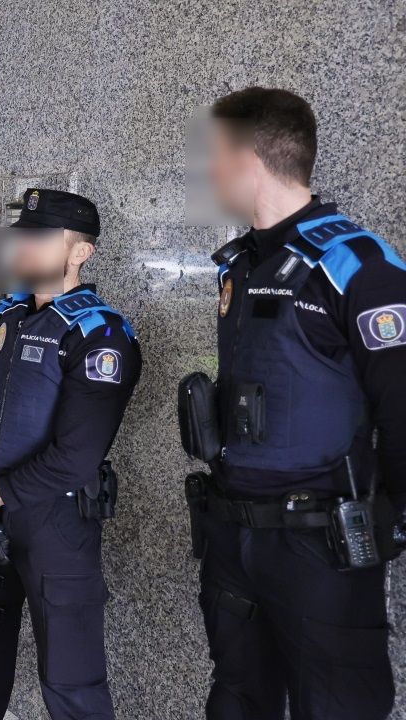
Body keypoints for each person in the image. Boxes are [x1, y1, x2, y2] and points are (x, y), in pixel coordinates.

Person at [185, 87, 406, 720]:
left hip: (320, 547)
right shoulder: (242, 263)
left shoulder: (358, 264)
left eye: (213, 154)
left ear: (247, 159)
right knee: (235, 699)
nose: (207, 171)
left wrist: (393, 519)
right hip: (233, 538)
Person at [0, 188, 140, 720]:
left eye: (40, 237)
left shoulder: (100, 333)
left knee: (70, 676)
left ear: (81, 252)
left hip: (56, 522)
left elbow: (75, 457)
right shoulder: (5, 317)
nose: (24, 247)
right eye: (22, 236)